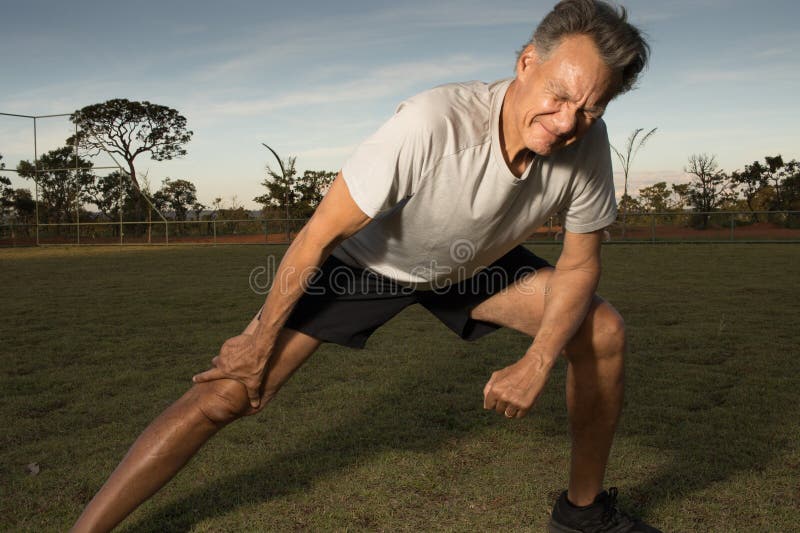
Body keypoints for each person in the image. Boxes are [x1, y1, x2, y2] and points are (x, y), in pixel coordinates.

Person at [72, 1, 660, 531]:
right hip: (366, 263)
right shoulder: (432, 123)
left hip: (468, 263)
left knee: (601, 330)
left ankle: (582, 513)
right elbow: (318, 235)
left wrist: (538, 359)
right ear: (527, 62)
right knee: (228, 395)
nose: (567, 122)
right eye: (559, 95)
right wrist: (258, 338)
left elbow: (579, 266)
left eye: (590, 108)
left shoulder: (587, 143)